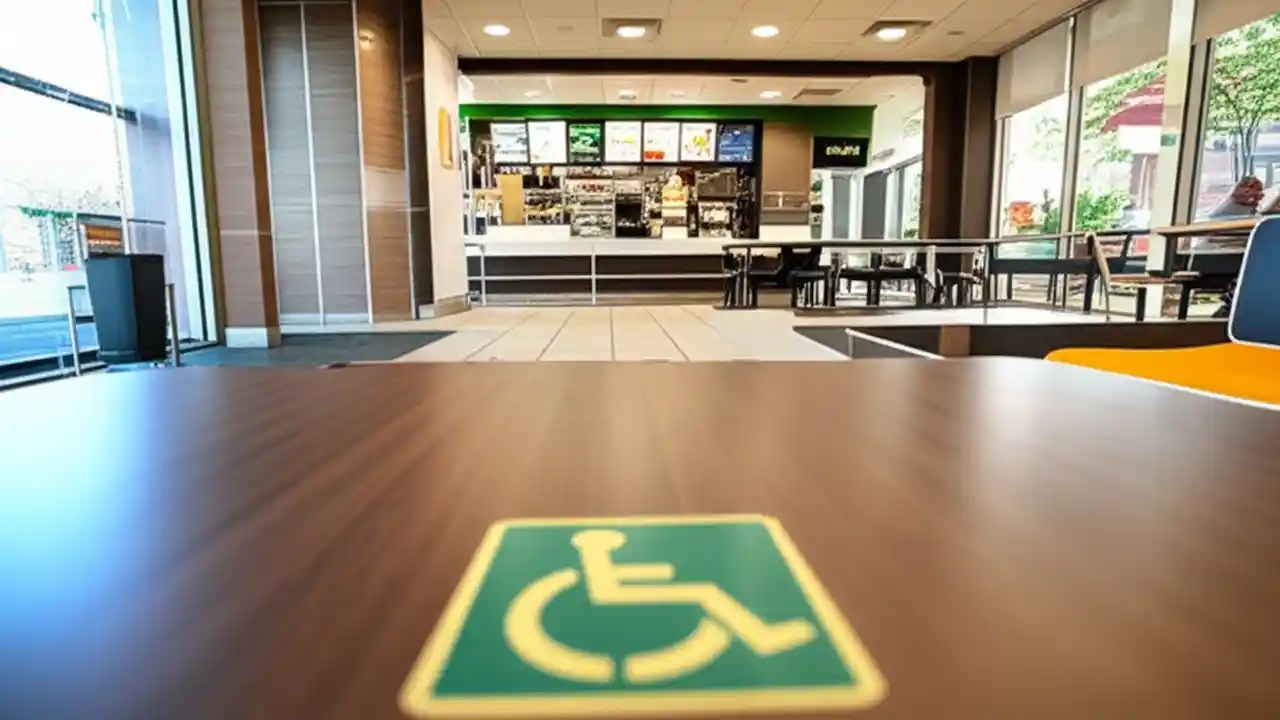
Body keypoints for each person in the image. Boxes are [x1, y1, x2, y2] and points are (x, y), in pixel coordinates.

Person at [1205, 176, 1263, 317]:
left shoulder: (1248, 211)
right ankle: (1232, 305)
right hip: (1221, 254)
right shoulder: (1229, 209)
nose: (1256, 196)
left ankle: (1233, 305)